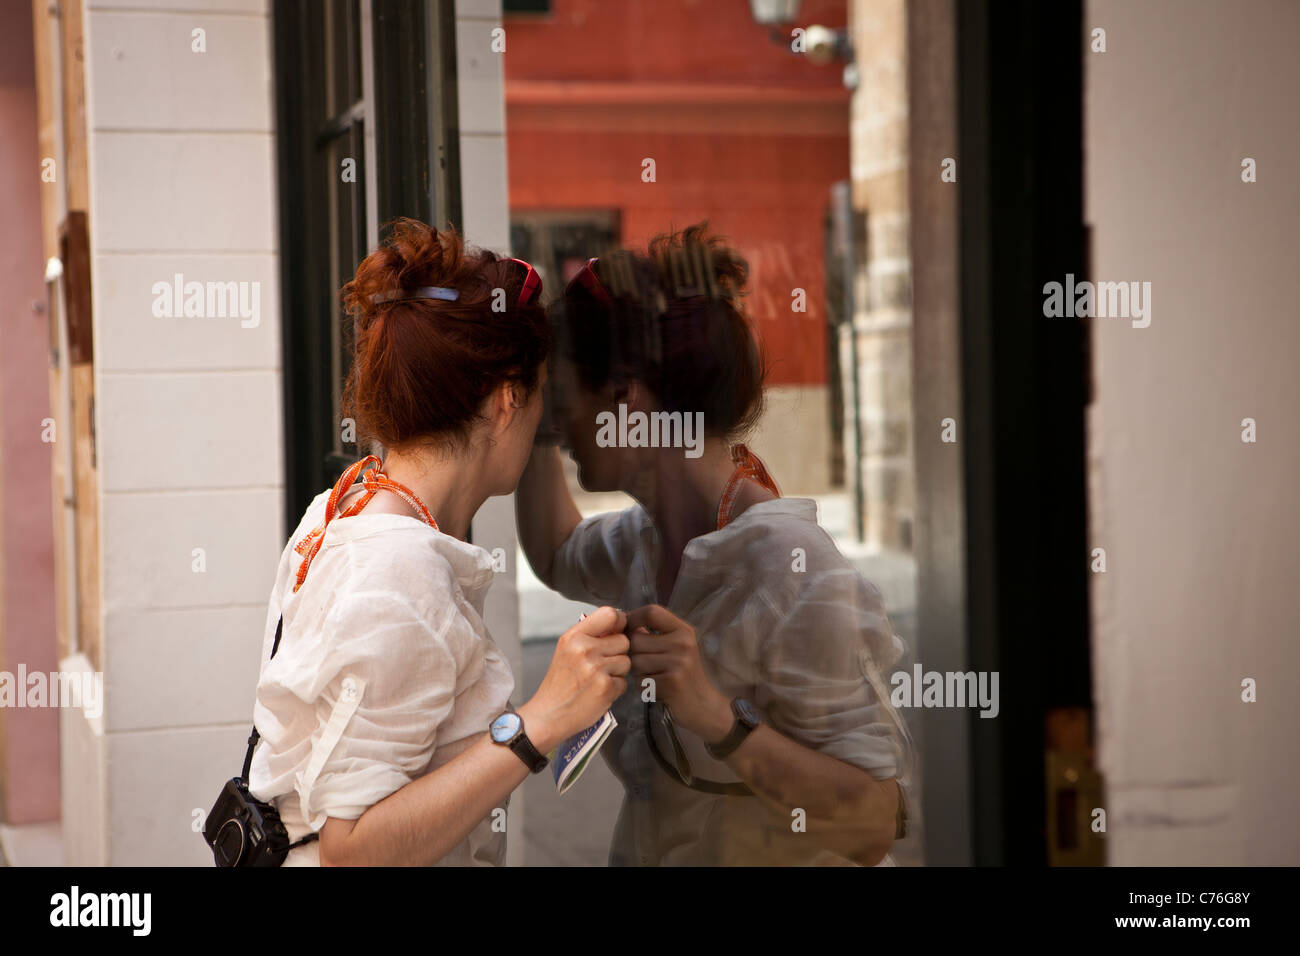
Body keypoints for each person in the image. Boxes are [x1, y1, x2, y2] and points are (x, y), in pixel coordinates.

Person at [517, 225, 913, 866]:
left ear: (625, 400)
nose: (557, 426)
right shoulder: (642, 544)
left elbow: (872, 824)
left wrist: (719, 719)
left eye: (563, 401)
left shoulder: (794, 570)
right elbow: (559, 552)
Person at [247, 219, 631, 866]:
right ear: (510, 399)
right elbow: (354, 848)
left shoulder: (350, 497)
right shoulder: (397, 569)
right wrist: (541, 721)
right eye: (541, 400)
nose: (548, 429)